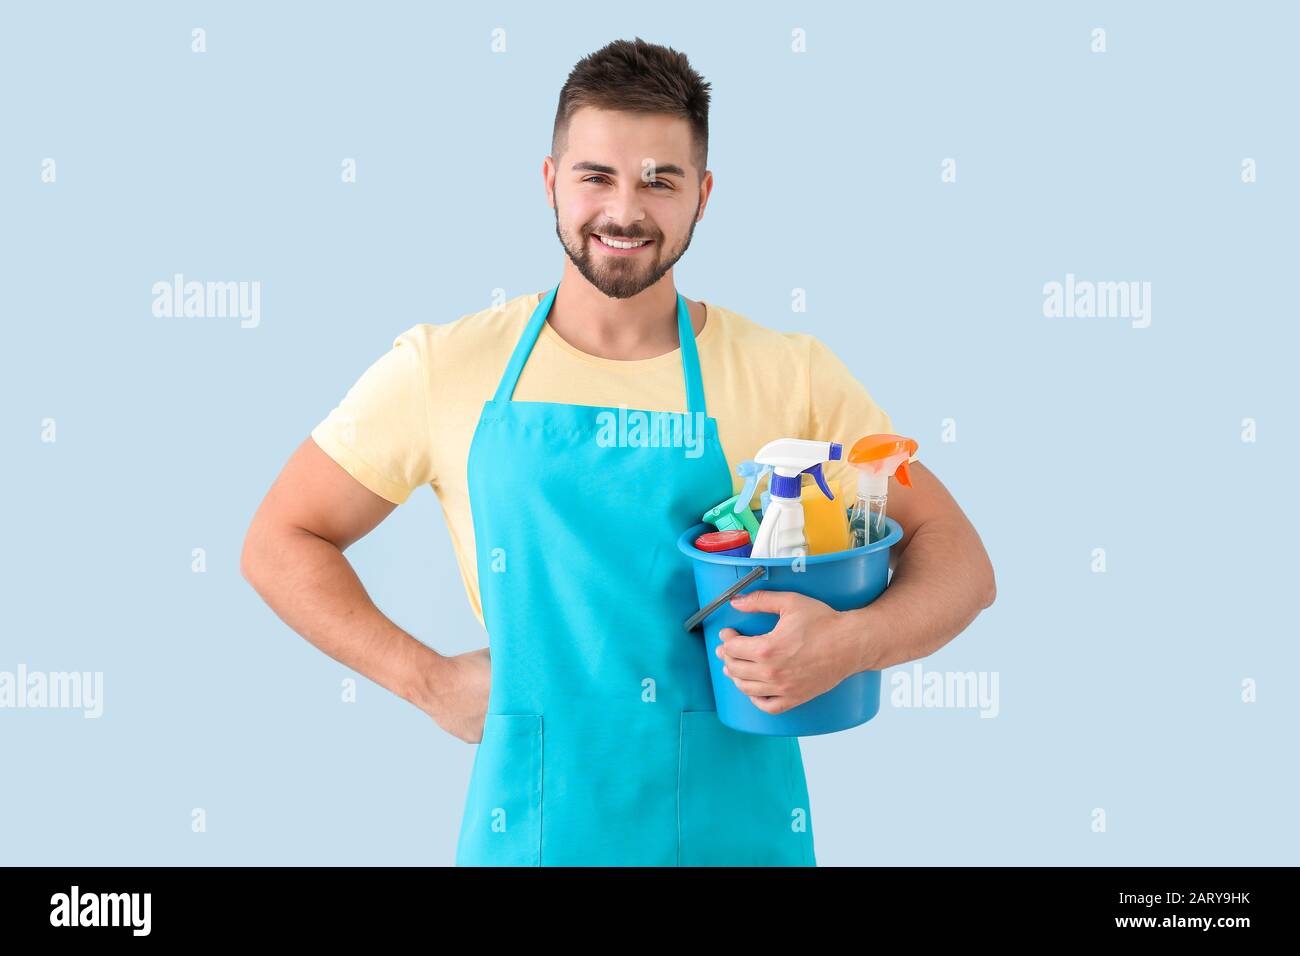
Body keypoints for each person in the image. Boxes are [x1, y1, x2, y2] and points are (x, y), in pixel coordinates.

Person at [240, 37, 996, 867]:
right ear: (550, 182)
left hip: (736, 834)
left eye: (660, 180)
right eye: (595, 175)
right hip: (529, 832)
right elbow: (281, 540)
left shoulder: (792, 375)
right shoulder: (445, 367)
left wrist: (853, 644)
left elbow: (959, 559)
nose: (624, 210)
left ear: (703, 196)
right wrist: (426, 681)